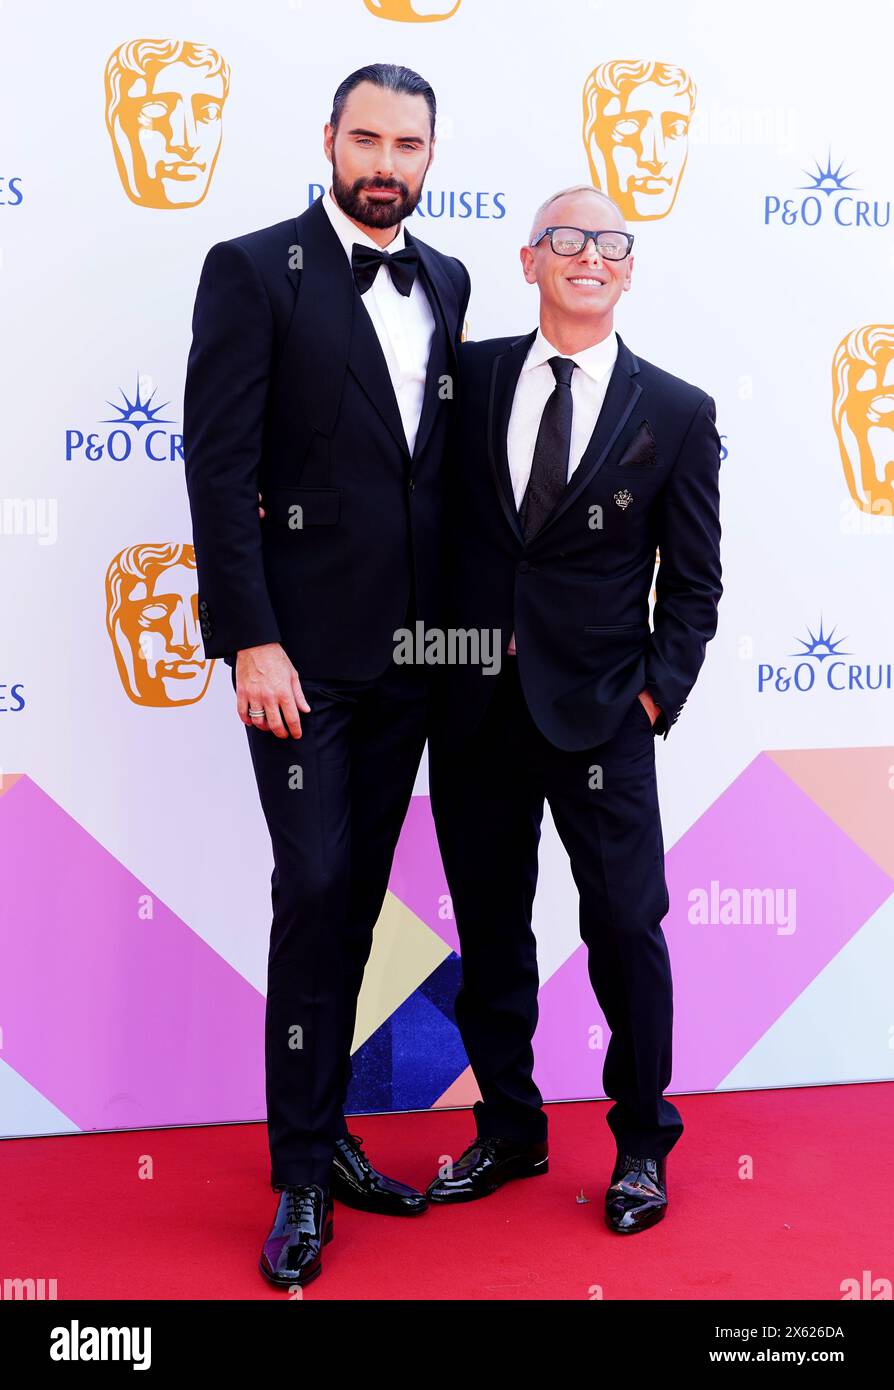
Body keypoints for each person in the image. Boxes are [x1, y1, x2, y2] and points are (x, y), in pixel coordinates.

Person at [183, 63, 470, 1286]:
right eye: (368, 136)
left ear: (429, 156)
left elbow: (442, 475)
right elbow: (215, 462)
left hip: (411, 658)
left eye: (408, 142)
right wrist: (248, 636)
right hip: (297, 661)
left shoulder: (447, 280)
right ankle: (299, 1176)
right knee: (311, 889)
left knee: (352, 902)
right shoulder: (255, 270)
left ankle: (330, 1135)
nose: (386, 161)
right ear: (329, 139)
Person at [425, 184, 722, 1234]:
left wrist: (653, 697)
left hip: (603, 716)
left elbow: (692, 585)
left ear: (628, 268)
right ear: (529, 259)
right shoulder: (470, 376)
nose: (587, 255)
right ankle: (509, 1127)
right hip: (473, 713)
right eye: (566, 239)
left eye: (608, 243)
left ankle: (642, 1140)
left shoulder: (677, 411)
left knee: (625, 930)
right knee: (493, 931)